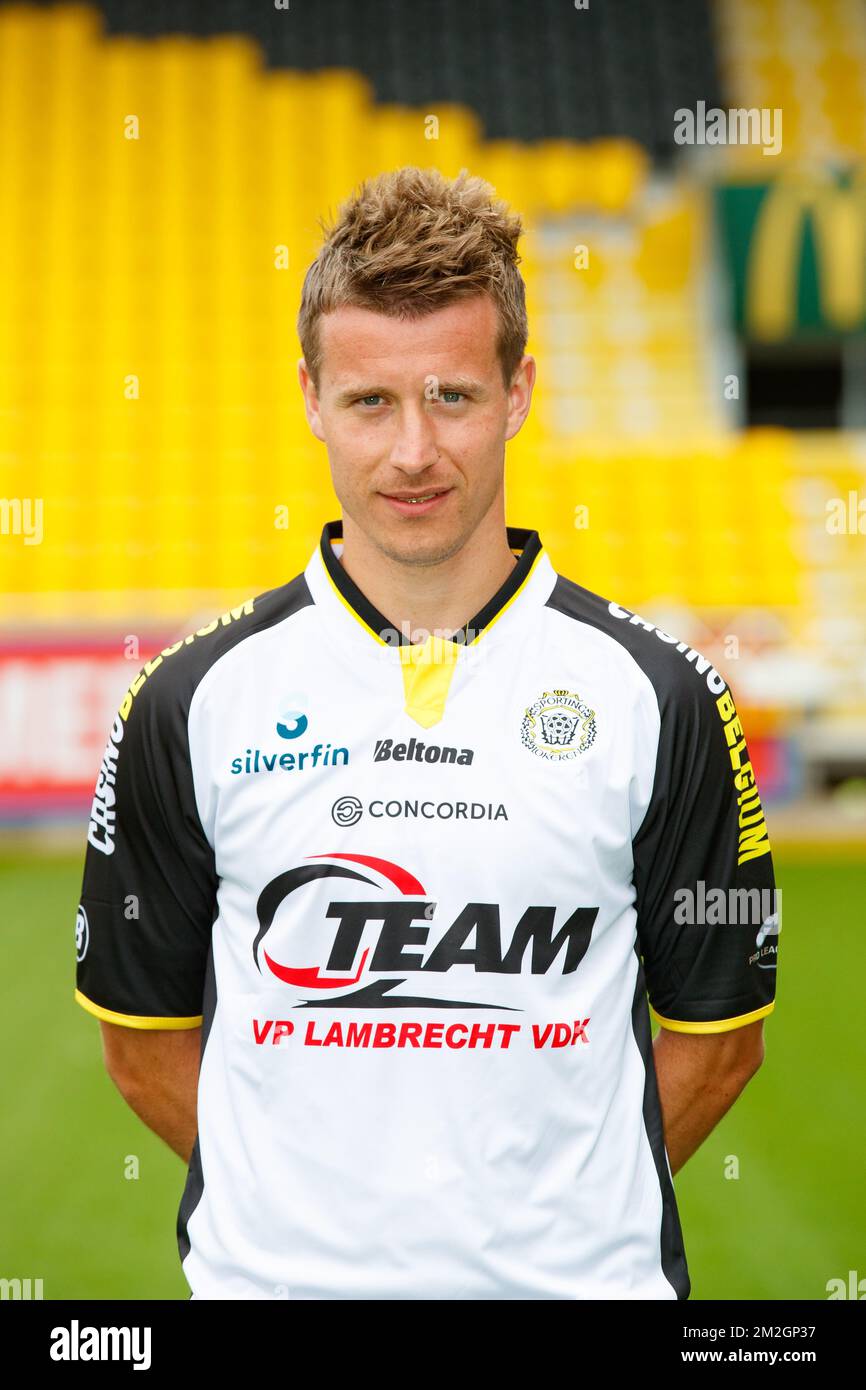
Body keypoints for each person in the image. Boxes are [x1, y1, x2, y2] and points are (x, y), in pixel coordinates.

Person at [74, 166, 778, 1300]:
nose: (411, 452)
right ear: (309, 397)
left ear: (518, 392)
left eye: (450, 396)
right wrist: (307, 1226)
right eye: (369, 402)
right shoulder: (188, 699)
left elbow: (719, 1034)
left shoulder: (661, 693)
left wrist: (544, 1234)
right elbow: (140, 1035)